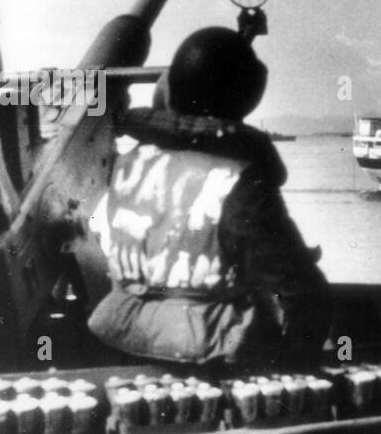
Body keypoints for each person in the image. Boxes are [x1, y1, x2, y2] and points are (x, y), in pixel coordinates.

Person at [87, 27, 330, 372]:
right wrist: (299, 369)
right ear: (248, 97)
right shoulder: (239, 181)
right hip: (211, 356)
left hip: (121, 338)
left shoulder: (129, 164)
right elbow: (301, 290)